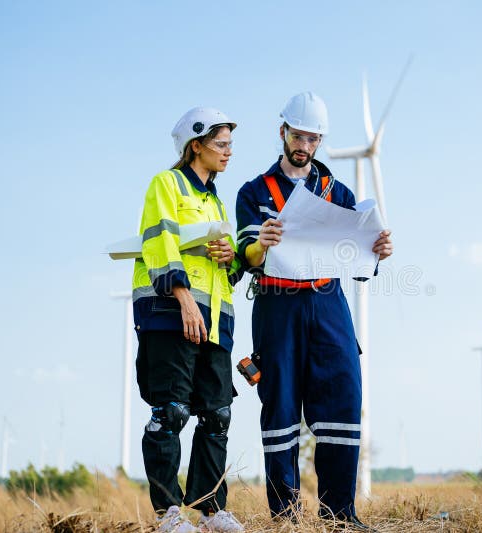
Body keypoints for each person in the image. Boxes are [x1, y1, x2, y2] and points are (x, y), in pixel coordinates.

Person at [235, 92, 393, 532]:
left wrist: (376, 253)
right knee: (281, 412)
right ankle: (285, 519)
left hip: (329, 308)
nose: (303, 145)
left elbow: (358, 265)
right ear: (282, 131)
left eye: (312, 138)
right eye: (297, 135)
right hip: (277, 310)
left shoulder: (339, 193)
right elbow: (245, 255)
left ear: (321, 140)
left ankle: (339, 515)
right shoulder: (253, 194)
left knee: (343, 399)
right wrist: (258, 245)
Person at [133, 107, 245, 533]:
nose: (228, 152)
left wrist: (230, 256)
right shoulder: (167, 184)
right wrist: (182, 297)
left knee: (217, 415)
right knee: (172, 410)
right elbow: (159, 239)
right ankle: (168, 512)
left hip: (216, 320)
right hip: (171, 314)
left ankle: (211, 509)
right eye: (221, 144)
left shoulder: (214, 200)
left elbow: (226, 271)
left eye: (231, 144)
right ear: (194, 145)